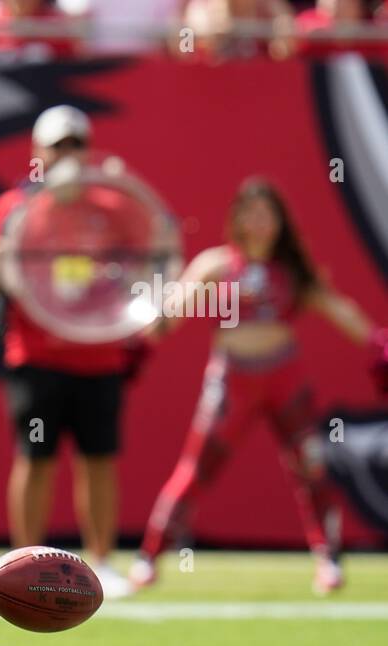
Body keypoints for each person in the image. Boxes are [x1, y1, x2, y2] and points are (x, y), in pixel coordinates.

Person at [129, 177, 380, 596]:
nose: (261, 222)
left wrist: (379, 344)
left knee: (311, 468)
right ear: (238, 218)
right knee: (194, 472)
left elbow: (342, 311)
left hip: (286, 380)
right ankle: (148, 557)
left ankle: (329, 560)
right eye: (253, 213)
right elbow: (174, 311)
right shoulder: (216, 265)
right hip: (232, 383)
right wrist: (150, 317)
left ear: (281, 222)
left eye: (269, 214)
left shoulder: (293, 273)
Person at [0, 106, 137, 598]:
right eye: (56, 146)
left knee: (99, 459)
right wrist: (1, 262)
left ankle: (103, 562)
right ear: (37, 154)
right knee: (34, 459)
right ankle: (24, 564)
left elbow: (139, 270)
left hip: (98, 355)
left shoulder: (112, 207)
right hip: (35, 355)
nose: (66, 155)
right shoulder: (12, 208)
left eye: (75, 145)